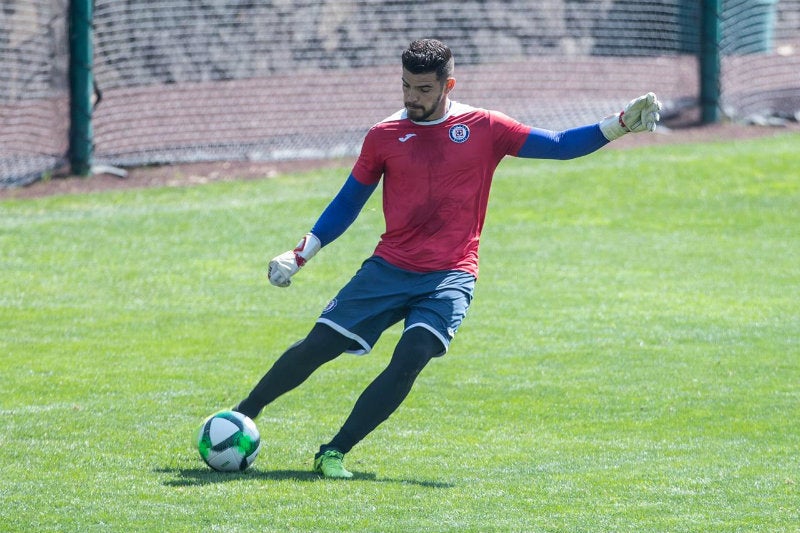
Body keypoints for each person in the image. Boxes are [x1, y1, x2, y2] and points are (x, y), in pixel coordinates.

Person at [232, 38, 662, 478]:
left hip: (451, 275)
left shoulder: (485, 127)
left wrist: (620, 123)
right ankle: (240, 418)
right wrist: (301, 254)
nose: (411, 98)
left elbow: (559, 144)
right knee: (319, 347)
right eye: (405, 86)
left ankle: (334, 452)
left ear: (447, 84)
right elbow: (348, 203)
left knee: (411, 356)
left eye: (422, 89)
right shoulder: (383, 136)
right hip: (389, 267)